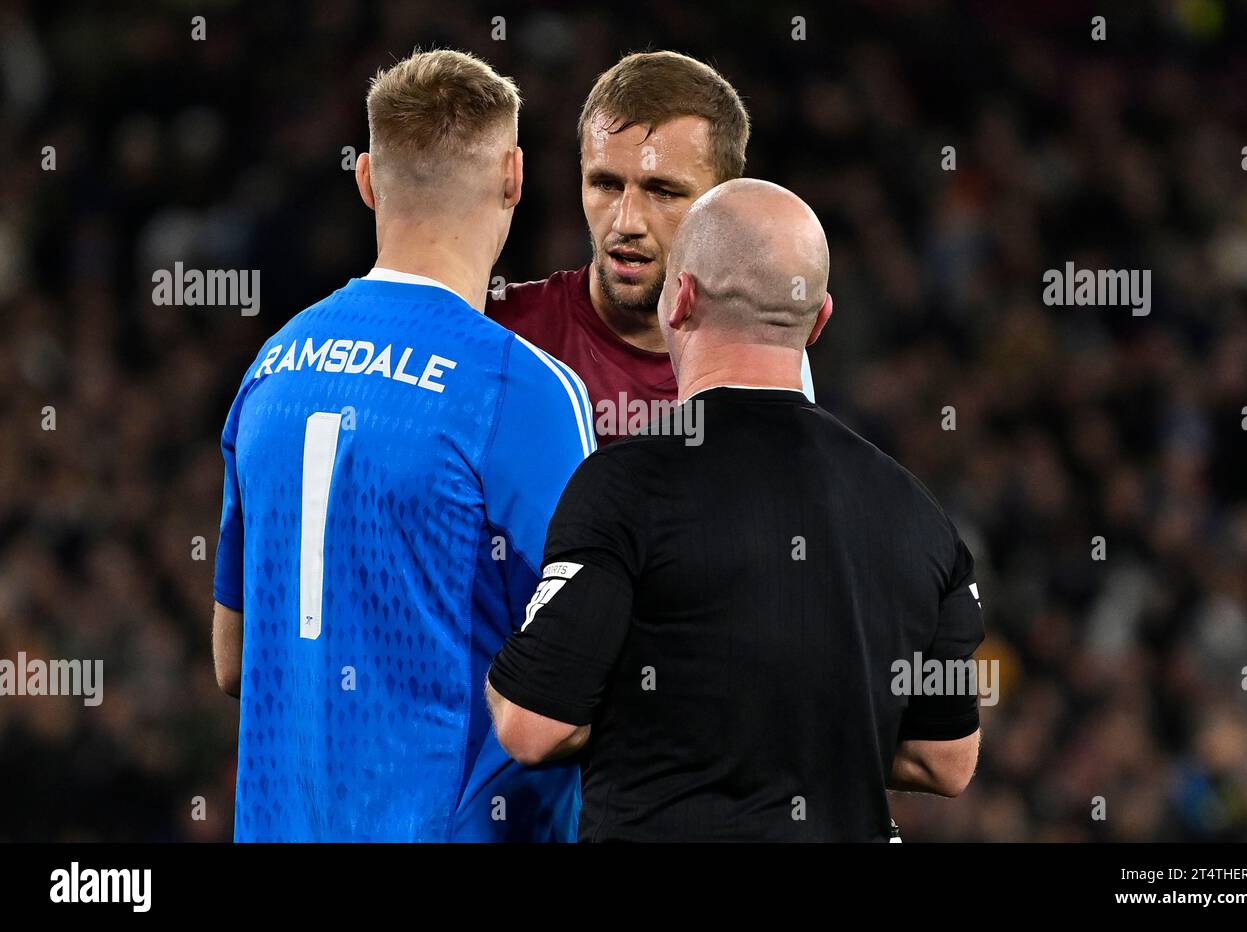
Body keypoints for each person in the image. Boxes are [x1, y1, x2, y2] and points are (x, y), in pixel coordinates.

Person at [486, 179, 983, 842]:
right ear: (820, 319)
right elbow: (946, 757)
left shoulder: (622, 486)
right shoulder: (920, 515)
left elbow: (533, 726)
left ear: (680, 298)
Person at [211, 49, 593, 842]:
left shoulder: (270, 368)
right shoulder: (521, 390)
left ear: (367, 181)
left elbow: (233, 660)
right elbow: (584, 676)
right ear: (516, 175)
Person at [487, 51, 814, 445]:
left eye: (662, 191)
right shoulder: (501, 333)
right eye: (606, 184)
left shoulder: (762, 360)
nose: (627, 223)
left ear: (722, 202)